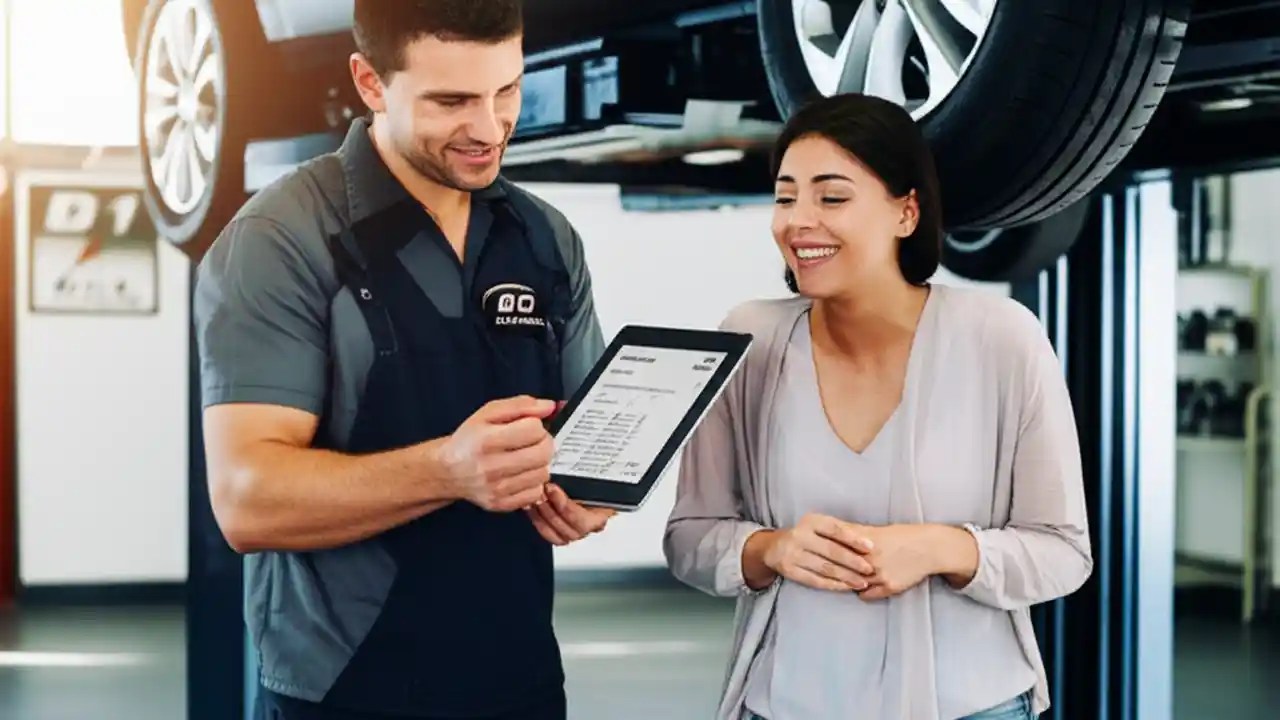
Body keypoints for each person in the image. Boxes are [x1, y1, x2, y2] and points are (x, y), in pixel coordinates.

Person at [193, 2, 616, 718]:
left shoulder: (543, 239)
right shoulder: (281, 239)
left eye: (506, 90)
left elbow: (588, 437)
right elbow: (246, 499)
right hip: (346, 691)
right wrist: (450, 471)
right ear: (370, 82)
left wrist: (593, 491)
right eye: (451, 101)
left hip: (519, 683)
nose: (489, 128)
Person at [663, 93, 1093, 720]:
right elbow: (690, 539)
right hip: (784, 705)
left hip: (973, 707)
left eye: (831, 197)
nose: (797, 220)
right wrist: (771, 549)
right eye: (786, 197)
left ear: (905, 212)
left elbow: (1063, 553)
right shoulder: (749, 341)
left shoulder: (1002, 337)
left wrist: (943, 548)